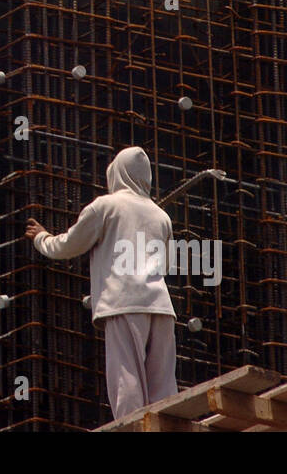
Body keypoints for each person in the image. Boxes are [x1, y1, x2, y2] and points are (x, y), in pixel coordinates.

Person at [25, 146, 177, 420]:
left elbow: (71, 244)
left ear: (116, 172)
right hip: (162, 307)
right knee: (163, 383)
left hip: (124, 303)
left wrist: (42, 239)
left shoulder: (106, 206)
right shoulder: (161, 216)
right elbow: (167, 264)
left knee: (127, 376)